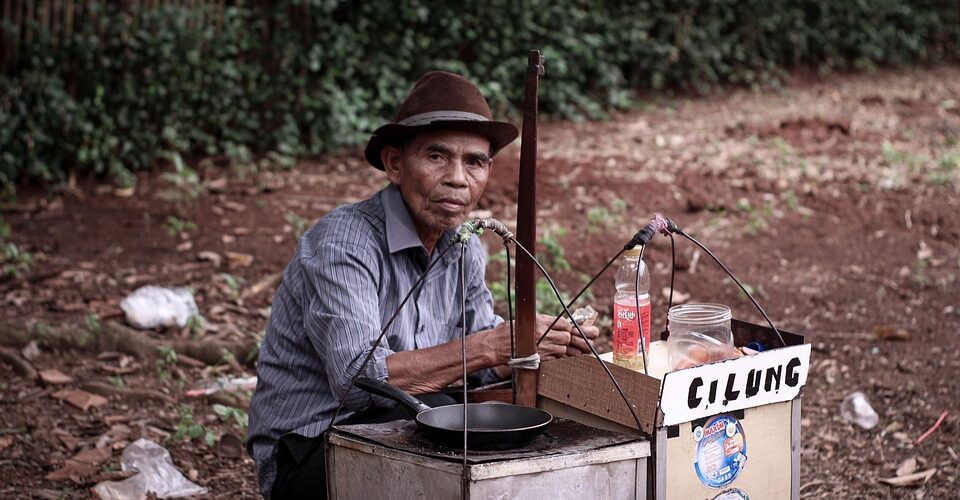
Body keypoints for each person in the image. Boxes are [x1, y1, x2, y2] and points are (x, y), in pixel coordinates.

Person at [247, 71, 599, 499]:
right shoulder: (344, 241)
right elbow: (358, 380)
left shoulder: (465, 246)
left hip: (402, 424)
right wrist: (492, 345)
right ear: (395, 164)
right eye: (437, 157)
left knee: (488, 428)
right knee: (449, 421)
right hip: (311, 448)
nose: (457, 178)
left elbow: (479, 358)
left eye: (475, 162)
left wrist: (528, 347)